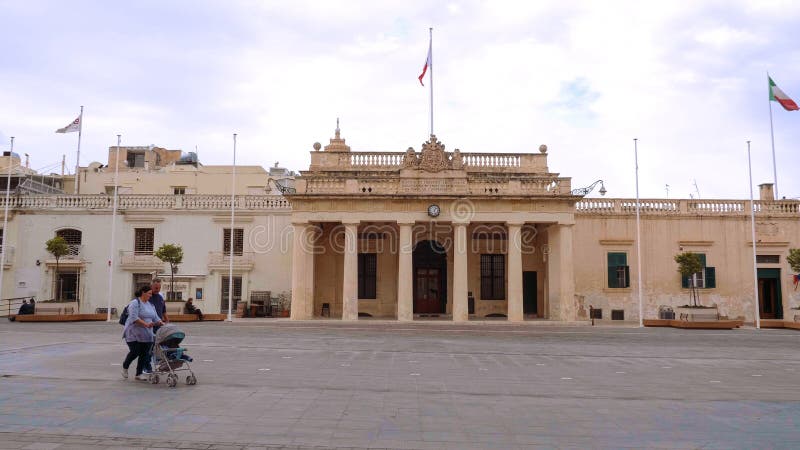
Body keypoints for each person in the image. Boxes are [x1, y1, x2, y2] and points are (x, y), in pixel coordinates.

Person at [121, 285, 163, 381]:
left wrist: (161, 322)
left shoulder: (150, 305)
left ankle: (138, 374)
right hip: (133, 333)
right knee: (135, 351)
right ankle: (125, 367)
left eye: (151, 294)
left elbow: (156, 317)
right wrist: (146, 324)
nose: (150, 296)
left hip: (147, 334)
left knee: (144, 354)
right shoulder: (135, 303)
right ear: (143, 293)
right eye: (149, 293)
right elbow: (133, 318)